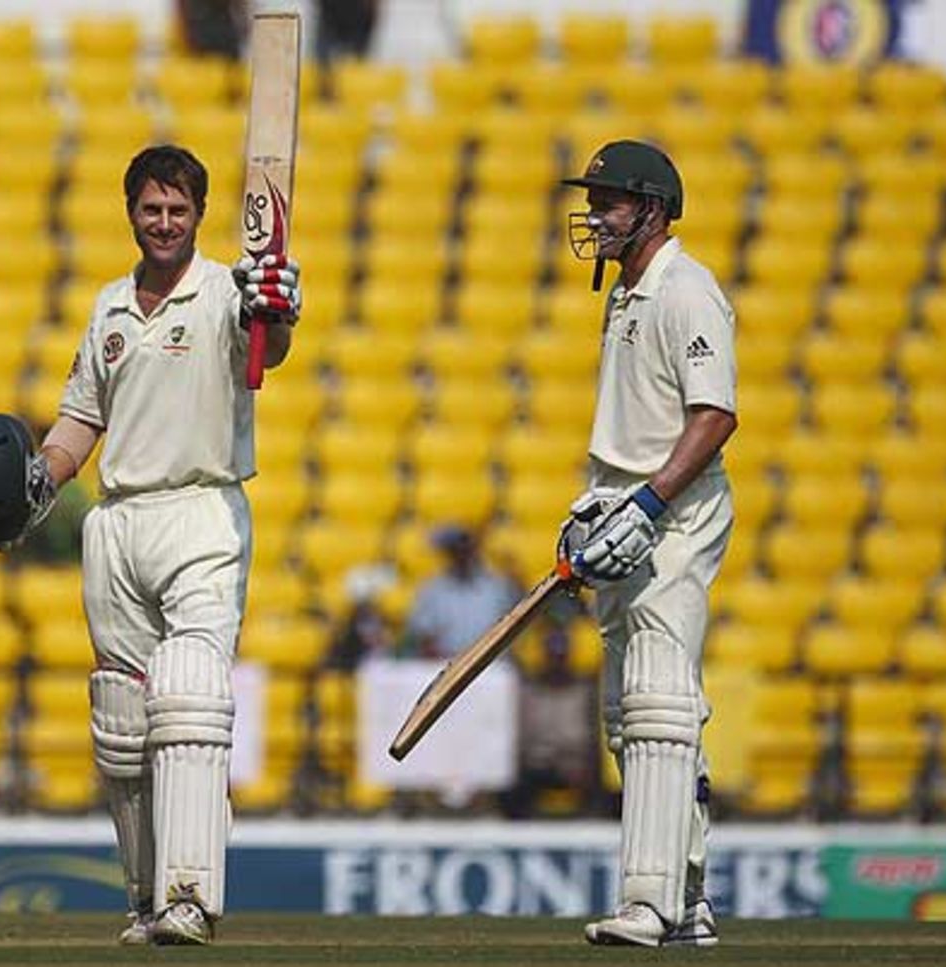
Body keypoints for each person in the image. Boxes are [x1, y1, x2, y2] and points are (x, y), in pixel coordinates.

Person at [0, 145, 300, 945]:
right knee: (124, 724)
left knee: (189, 693)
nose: (165, 223)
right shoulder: (109, 307)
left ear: (199, 214)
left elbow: (270, 346)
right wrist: (40, 481)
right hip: (116, 522)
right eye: (152, 209)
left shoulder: (229, 290)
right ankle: (146, 899)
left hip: (200, 510)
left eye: (180, 210)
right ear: (132, 212)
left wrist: (277, 308)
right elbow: (81, 417)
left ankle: (192, 896)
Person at [556, 140, 737, 947]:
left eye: (610, 202)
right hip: (626, 517)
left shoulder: (688, 292)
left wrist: (647, 505)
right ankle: (691, 895)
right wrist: (595, 510)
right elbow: (630, 425)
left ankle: (650, 901)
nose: (595, 216)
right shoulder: (625, 295)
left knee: (661, 702)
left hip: (677, 517)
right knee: (630, 723)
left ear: (654, 210)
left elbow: (714, 415)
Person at [500, 624, 598, 819]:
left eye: (560, 657)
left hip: (574, 762)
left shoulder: (584, 689)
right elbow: (520, 735)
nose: (557, 662)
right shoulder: (529, 689)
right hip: (537, 762)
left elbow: (592, 735)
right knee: (512, 787)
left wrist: (586, 762)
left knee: (598, 785)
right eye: (553, 656)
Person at [404, 524, 521, 659]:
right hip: (448, 666)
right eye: (455, 551)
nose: (461, 555)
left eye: (465, 549)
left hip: (493, 665)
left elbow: (516, 628)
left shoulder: (499, 587)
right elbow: (424, 637)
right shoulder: (432, 591)